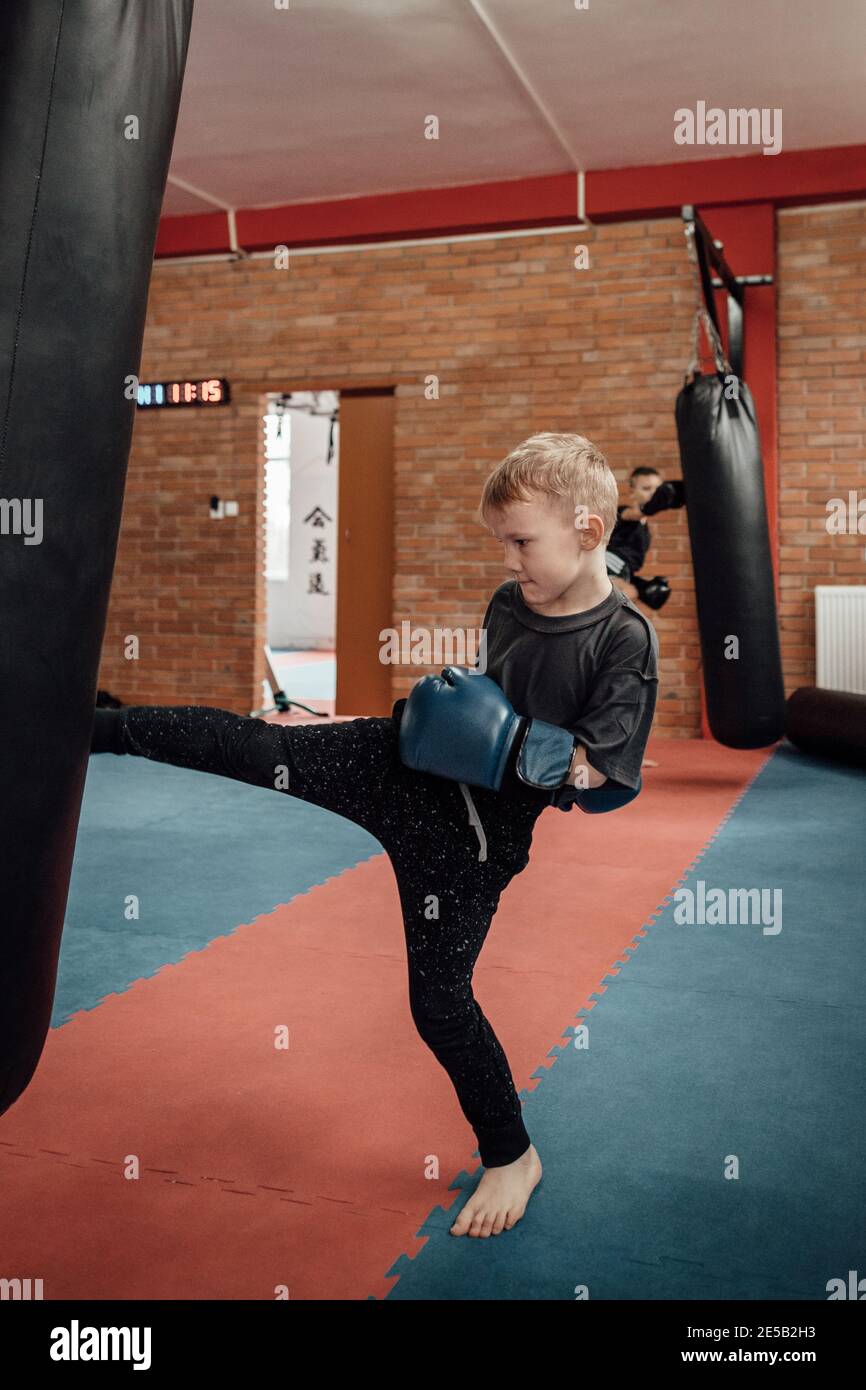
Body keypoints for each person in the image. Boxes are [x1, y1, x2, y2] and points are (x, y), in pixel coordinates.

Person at [90, 432, 659, 1239]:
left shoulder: (625, 642)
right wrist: (453, 716)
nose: (509, 561)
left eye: (522, 542)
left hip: (468, 838)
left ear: (591, 532)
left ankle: (511, 1155)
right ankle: (93, 728)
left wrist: (510, 743)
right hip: (401, 761)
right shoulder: (510, 602)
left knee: (439, 1005)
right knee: (266, 747)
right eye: (503, 543)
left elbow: (607, 778)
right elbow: (486, 693)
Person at [606, 466, 686, 612]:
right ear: (632, 492)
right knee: (627, 594)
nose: (653, 493)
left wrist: (642, 585)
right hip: (610, 564)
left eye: (657, 489)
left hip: (623, 570)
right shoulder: (623, 512)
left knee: (632, 596)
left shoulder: (645, 531)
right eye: (646, 488)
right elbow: (635, 513)